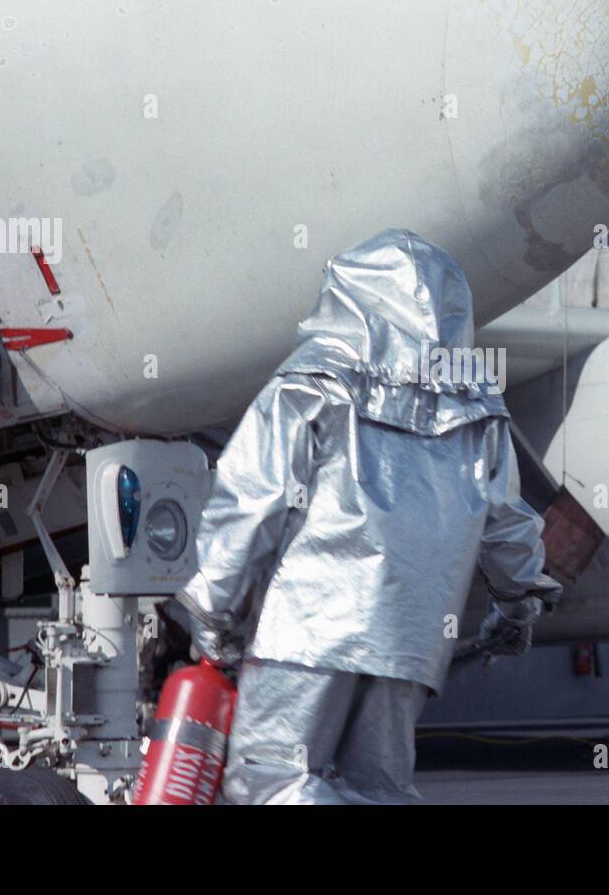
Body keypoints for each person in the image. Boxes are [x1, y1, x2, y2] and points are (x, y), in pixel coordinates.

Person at [176, 228, 562, 804]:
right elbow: (507, 520)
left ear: (348, 295)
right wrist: (518, 605)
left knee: (273, 780)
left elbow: (253, 498)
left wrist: (212, 607)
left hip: (310, 626)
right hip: (411, 637)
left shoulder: (312, 381)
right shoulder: (479, 406)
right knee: (378, 788)